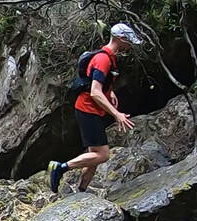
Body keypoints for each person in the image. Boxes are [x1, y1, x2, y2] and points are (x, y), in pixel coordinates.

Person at [48, 23, 141, 193]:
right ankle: (60, 168)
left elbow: (99, 85)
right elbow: (95, 92)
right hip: (87, 110)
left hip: (93, 110)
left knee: (95, 156)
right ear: (121, 39)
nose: (130, 46)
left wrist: (110, 92)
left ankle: (82, 190)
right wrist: (116, 114)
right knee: (103, 155)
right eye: (128, 42)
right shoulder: (103, 59)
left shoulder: (110, 57)